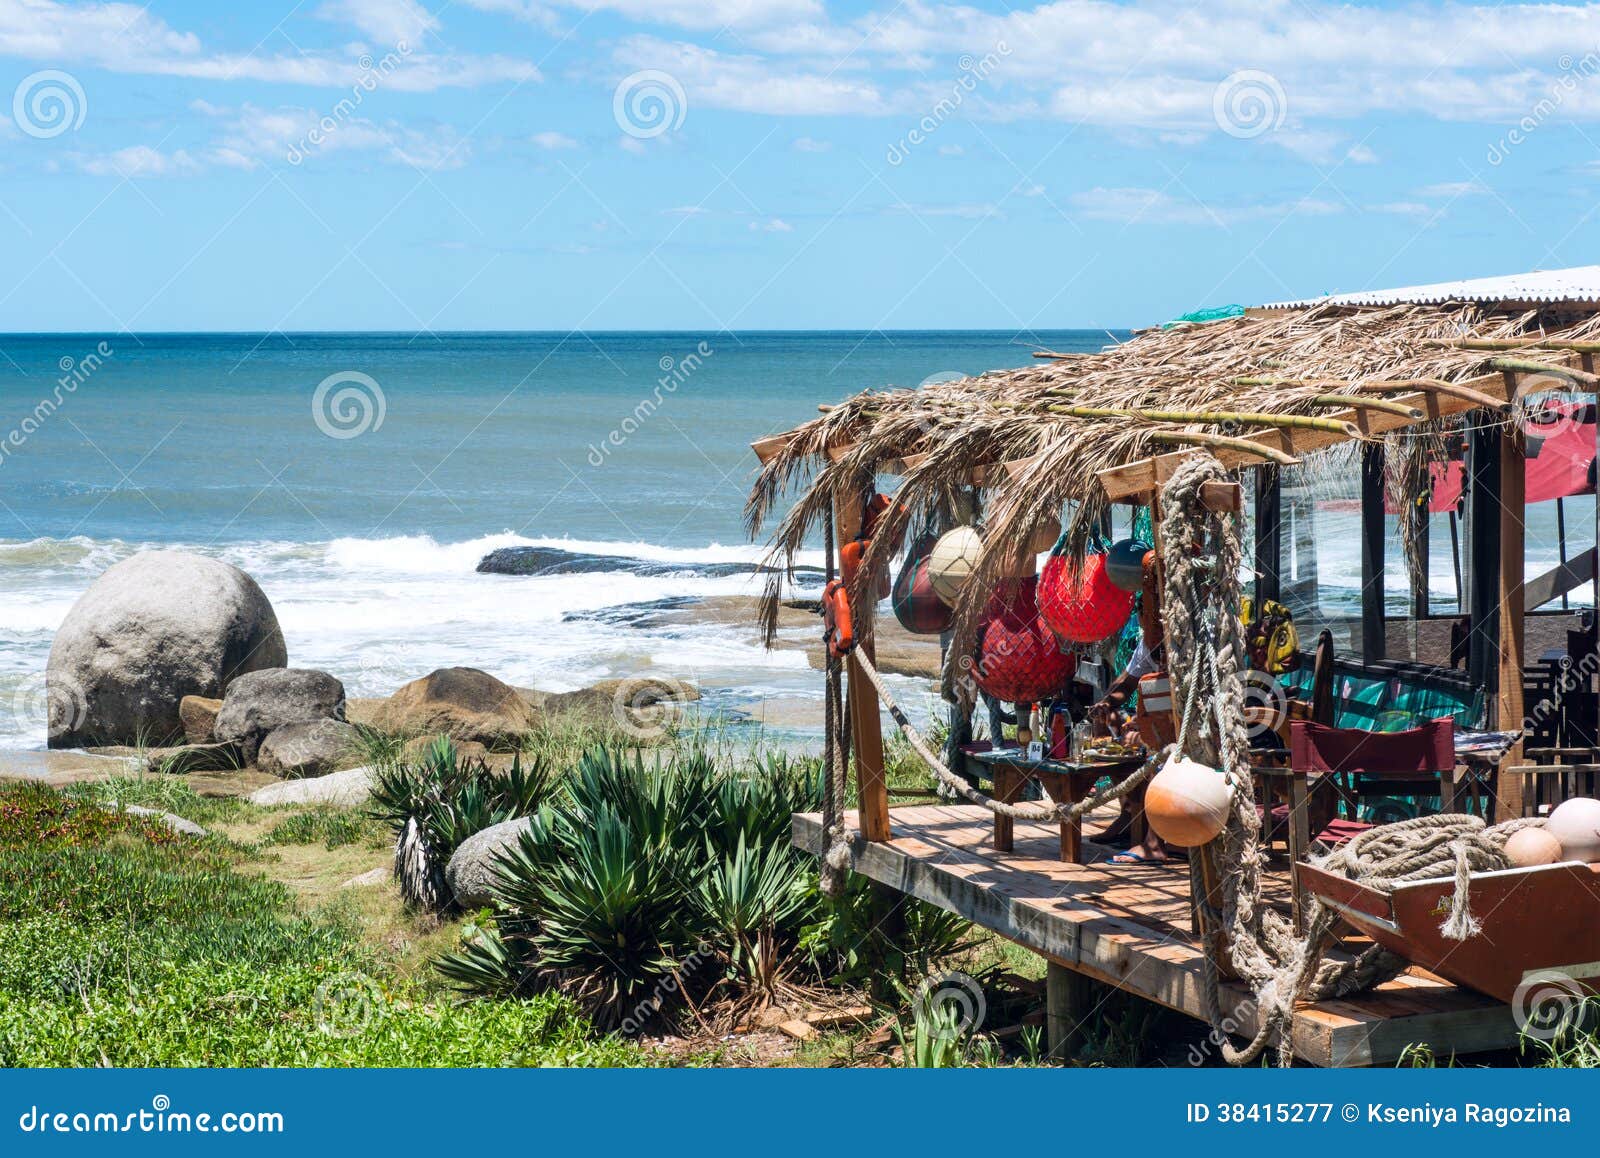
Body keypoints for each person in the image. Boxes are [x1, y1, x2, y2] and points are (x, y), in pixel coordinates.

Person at [1087, 573, 1171, 865]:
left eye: (1148, 615)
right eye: (1141, 615)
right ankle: (1128, 814)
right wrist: (1106, 704)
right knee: (1102, 722)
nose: (1143, 621)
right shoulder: (1149, 641)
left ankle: (1155, 840)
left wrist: (1141, 722)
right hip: (1156, 720)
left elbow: (1180, 695)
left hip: (1190, 726)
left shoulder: (1185, 637)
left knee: (1148, 742)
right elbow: (1127, 682)